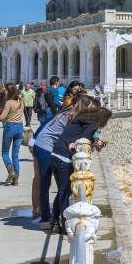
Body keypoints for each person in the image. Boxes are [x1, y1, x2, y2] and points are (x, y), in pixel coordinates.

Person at [50, 100, 111, 233]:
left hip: (56, 154)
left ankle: (54, 221)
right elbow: (83, 139)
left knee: (62, 191)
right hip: (64, 158)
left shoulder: (82, 119)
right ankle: (65, 224)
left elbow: (81, 137)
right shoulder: (93, 124)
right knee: (65, 192)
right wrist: (93, 143)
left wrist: (94, 142)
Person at [30, 83, 84, 227]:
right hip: (44, 146)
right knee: (45, 181)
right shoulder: (71, 114)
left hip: (44, 145)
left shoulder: (69, 111)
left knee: (57, 184)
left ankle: (54, 216)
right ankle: (46, 219)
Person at [0, 83, 25, 186]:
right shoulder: (21, 101)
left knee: (5, 152)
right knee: (15, 155)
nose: (4, 92)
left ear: (10, 92)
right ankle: (16, 178)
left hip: (10, 127)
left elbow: (2, 118)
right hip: (20, 127)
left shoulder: (9, 102)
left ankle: (10, 171)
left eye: (6, 91)